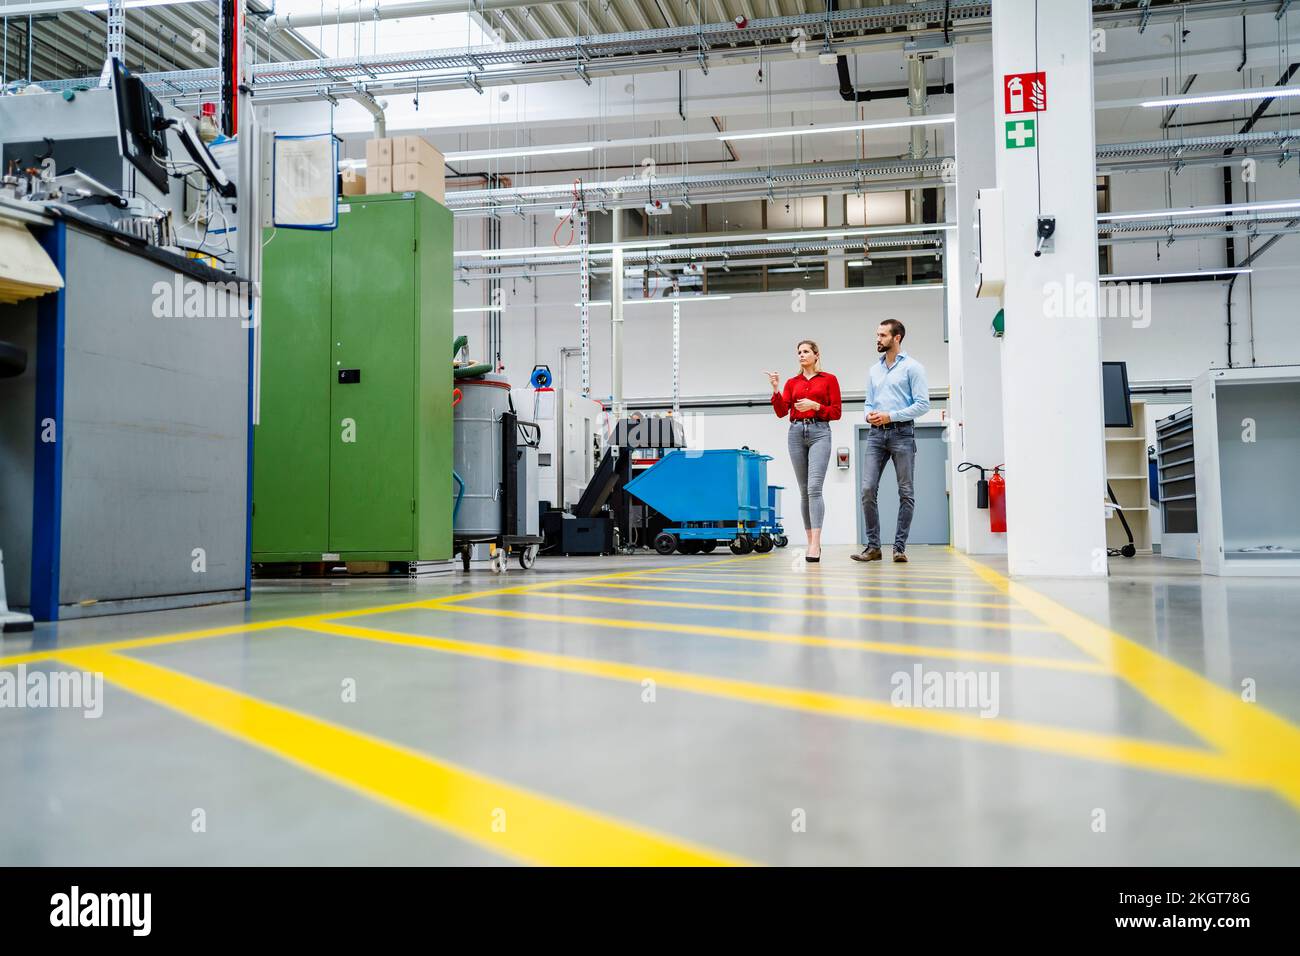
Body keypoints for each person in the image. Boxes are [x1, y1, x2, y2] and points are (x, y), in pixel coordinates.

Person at [852, 320, 930, 564]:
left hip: (902, 434)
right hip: (876, 435)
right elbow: (868, 402)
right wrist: (868, 414)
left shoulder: (913, 368)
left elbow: (923, 404)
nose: (878, 339)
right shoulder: (873, 370)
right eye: (877, 334)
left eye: (883, 335)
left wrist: (891, 416)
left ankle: (899, 547)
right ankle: (873, 547)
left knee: (906, 492)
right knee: (867, 490)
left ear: (897, 338)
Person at [766, 340, 842, 563]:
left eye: (806, 351)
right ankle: (810, 541)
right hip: (796, 433)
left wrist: (815, 406)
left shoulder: (829, 380)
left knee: (814, 488)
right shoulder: (793, 382)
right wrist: (776, 389)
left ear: (816, 355)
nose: (801, 355)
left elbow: (836, 412)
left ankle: (815, 544)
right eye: (799, 352)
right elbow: (781, 412)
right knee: (803, 490)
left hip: (820, 432)